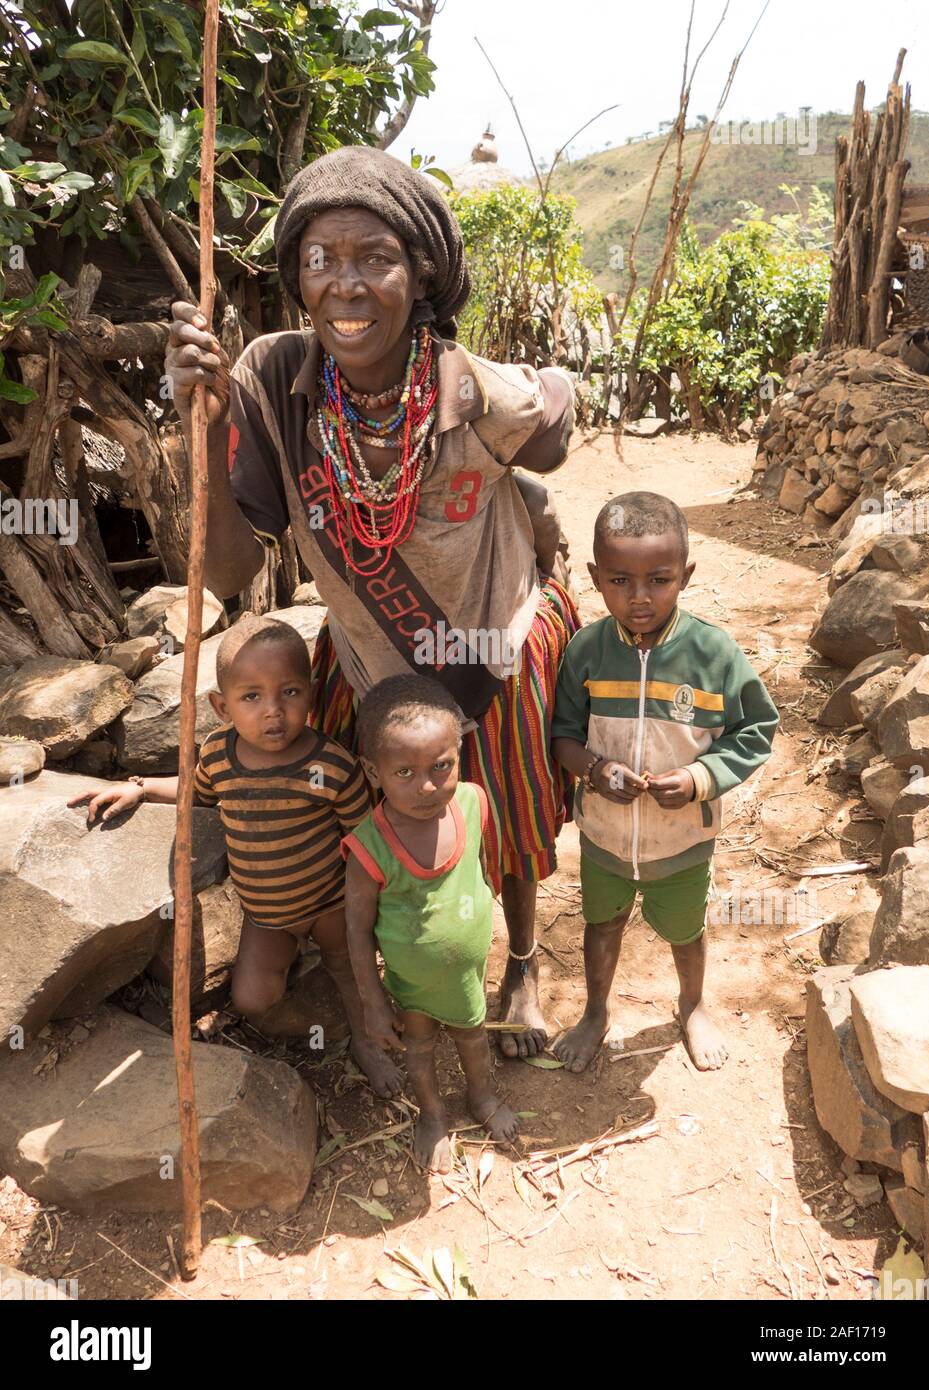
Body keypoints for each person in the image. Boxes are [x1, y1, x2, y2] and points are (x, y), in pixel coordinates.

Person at [164, 144, 581, 1061]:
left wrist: (536, 443)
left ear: (420, 272)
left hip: (489, 643)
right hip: (372, 657)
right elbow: (233, 573)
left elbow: (554, 429)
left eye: (374, 260)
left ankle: (522, 959)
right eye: (320, 261)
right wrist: (213, 427)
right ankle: (404, 957)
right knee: (388, 818)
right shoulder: (275, 382)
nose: (345, 286)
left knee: (503, 814)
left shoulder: (459, 379)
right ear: (296, 278)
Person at [67, 614, 404, 1097]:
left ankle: (364, 1041)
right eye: (252, 697)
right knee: (252, 999)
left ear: (311, 692)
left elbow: (365, 843)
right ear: (221, 706)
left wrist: (365, 914)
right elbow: (198, 791)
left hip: (330, 903)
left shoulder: (331, 765)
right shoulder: (219, 755)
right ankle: (300, 970)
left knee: (348, 967)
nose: (274, 711)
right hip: (268, 915)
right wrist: (141, 788)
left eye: (289, 692)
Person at [550, 493, 779, 1074]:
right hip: (603, 836)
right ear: (596, 578)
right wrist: (596, 771)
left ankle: (693, 1005)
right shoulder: (586, 652)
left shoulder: (713, 652)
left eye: (660, 579)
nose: (640, 597)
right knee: (601, 924)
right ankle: (596, 1012)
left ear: (686, 576)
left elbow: (757, 728)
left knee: (685, 929)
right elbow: (563, 737)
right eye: (621, 580)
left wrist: (702, 778)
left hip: (682, 838)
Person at [342, 674, 518, 1173]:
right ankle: (433, 1113)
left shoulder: (472, 801)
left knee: (473, 1034)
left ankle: (481, 1097)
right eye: (404, 773)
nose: (426, 786)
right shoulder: (369, 847)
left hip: (466, 974)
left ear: (459, 754)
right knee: (419, 1046)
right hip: (413, 985)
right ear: (373, 772)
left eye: (441, 766)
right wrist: (374, 1004)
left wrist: (483, 907)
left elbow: (487, 864)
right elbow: (356, 931)